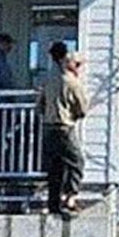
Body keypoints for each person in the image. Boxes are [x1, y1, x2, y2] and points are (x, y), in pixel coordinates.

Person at [39, 41, 89, 217]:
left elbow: (40, 106)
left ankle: (54, 203)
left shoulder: (47, 80)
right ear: (64, 58)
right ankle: (70, 198)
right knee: (77, 161)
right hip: (64, 127)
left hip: (47, 127)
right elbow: (82, 109)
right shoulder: (71, 81)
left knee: (56, 167)